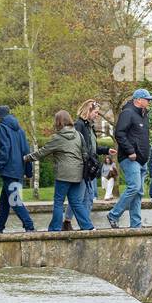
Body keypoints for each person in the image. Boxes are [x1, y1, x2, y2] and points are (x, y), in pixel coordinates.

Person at [26, 110, 94, 231]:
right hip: (78, 173)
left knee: (58, 202)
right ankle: (88, 227)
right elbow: (85, 154)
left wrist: (26, 158)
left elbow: (42, 152)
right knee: (76, 202)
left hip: (63, 174)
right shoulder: (79, 135)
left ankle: (55, 229)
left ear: (58, 122)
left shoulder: (57, 138)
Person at [109, 88, 152, 228]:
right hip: (130, 159)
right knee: (134, 187)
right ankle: (113, 215)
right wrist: (130, 151)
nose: (149, 102)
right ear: (138, 100)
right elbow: (119, 134)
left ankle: (136, 224)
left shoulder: (143, 115)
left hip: (142, 160)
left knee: (138, 192)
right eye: (147, 99)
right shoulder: (127, 113)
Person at [0, 105, 35, 234]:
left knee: (14, 200)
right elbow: (26, 151)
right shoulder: (20, 129)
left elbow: (5, 148)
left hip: (9, 171)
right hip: (18, 170)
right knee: (4, 201)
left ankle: (29, 226)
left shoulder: (2, 127)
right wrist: (28, 170)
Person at [63, 99, 104, 231]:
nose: (97, 115)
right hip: (81, 167)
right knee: (81, 197)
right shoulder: (79, 125)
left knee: (85, 197)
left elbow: (93, 147)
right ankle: (81, 224)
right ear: (88, 111)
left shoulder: (90, 127)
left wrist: (107, 150)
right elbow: (76, 146)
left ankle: (78, 223)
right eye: (96, 113)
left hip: (89, 167)